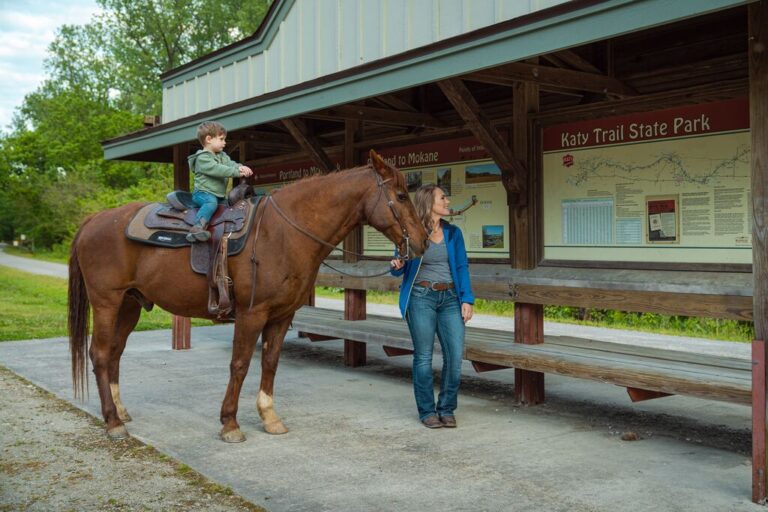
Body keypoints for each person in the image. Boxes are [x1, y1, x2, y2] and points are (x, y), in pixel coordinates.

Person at [390, 184, 474, 429]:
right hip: (421, 297)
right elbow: (401, 266)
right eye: (442, 197)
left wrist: (467, 299)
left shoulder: (453, 233)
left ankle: (446, 408)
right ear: (429, 202)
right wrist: (396, 265)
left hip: (450, 299)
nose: (447, 201)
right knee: (424, 357)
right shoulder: (410, 232)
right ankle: (427, 411)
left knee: (455, 356)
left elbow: (461, 267)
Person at [186, 121, 253, 242]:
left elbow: (230, 164)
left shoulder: (222, 156)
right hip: (203, 193)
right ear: (209, 139)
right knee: (211, 204)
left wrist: (240, 167)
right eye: (221, 139)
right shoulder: (203, 158)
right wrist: (237, 172)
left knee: (227, 208)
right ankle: (197, 228)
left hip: (218, 195)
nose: (224, 143)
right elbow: (218, 170)